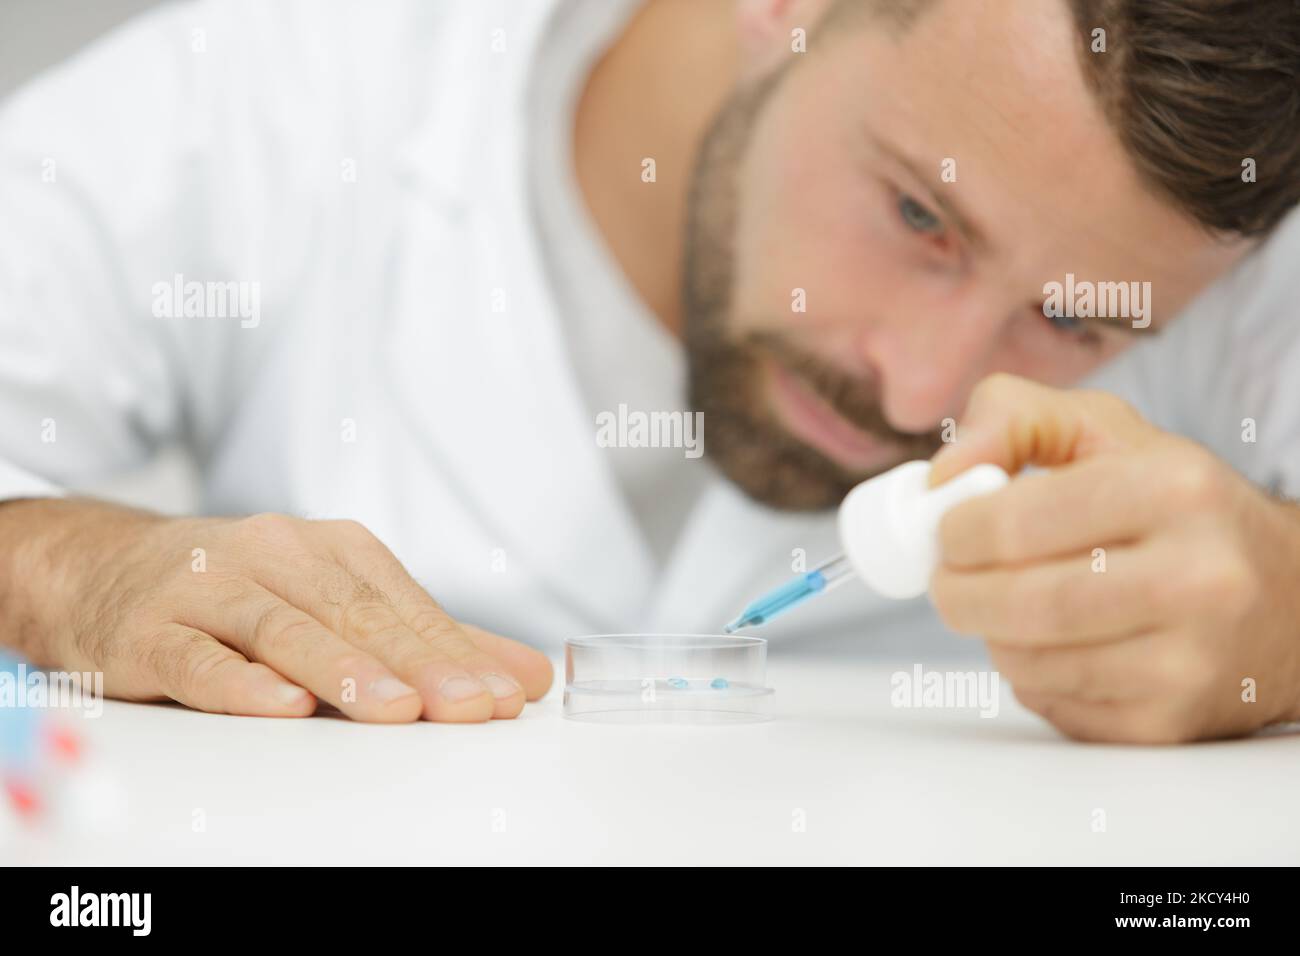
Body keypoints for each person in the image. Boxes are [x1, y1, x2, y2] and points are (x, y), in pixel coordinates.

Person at [1, 0, 1297, 742]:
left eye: (1077, 324)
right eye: (918, 217)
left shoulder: (1240, 240)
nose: (919, 396)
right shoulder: (294, 93)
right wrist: (71, 569)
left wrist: (1280, 623)